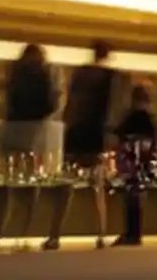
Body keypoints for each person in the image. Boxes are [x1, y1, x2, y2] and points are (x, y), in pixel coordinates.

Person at [46, 40, 126, 250]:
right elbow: (112, 107)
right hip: (95, 133)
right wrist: (110, 134)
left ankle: (54, 234)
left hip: (75, 133)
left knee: (66, 185)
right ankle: (100, 234)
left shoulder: (80, 73)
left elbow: (71, 104)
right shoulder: (110, 77)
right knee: (97, 187)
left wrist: (68, 123)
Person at [0, 44, 57, 253]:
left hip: (12, 130)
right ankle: (23, 232)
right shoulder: (44, 74)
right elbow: (51, 105)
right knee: (31, 186)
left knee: (6, 185)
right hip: (34, 133)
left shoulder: (14, 73)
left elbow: (8, 101)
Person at [113, 81, 157, 247]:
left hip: (132, 162)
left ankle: (131, 233)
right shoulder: (149, 119)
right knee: (137, 198)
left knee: (131, 198)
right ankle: (134, 232)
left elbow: (122, 134)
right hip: (142, 162)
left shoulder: (133, 117)